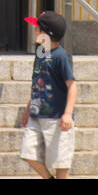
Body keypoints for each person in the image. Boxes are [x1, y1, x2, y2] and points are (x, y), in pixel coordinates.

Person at [20, 9, 76, 180]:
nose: (33, 31)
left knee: (61, 163)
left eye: (36, 28)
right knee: (27, 152)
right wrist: (28, 108)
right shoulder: (40, 54)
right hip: (37, 115)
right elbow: (37, 83)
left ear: (46, 34)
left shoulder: (61, 57)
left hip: (57, 118)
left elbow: (72, 86)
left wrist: (67, 114)